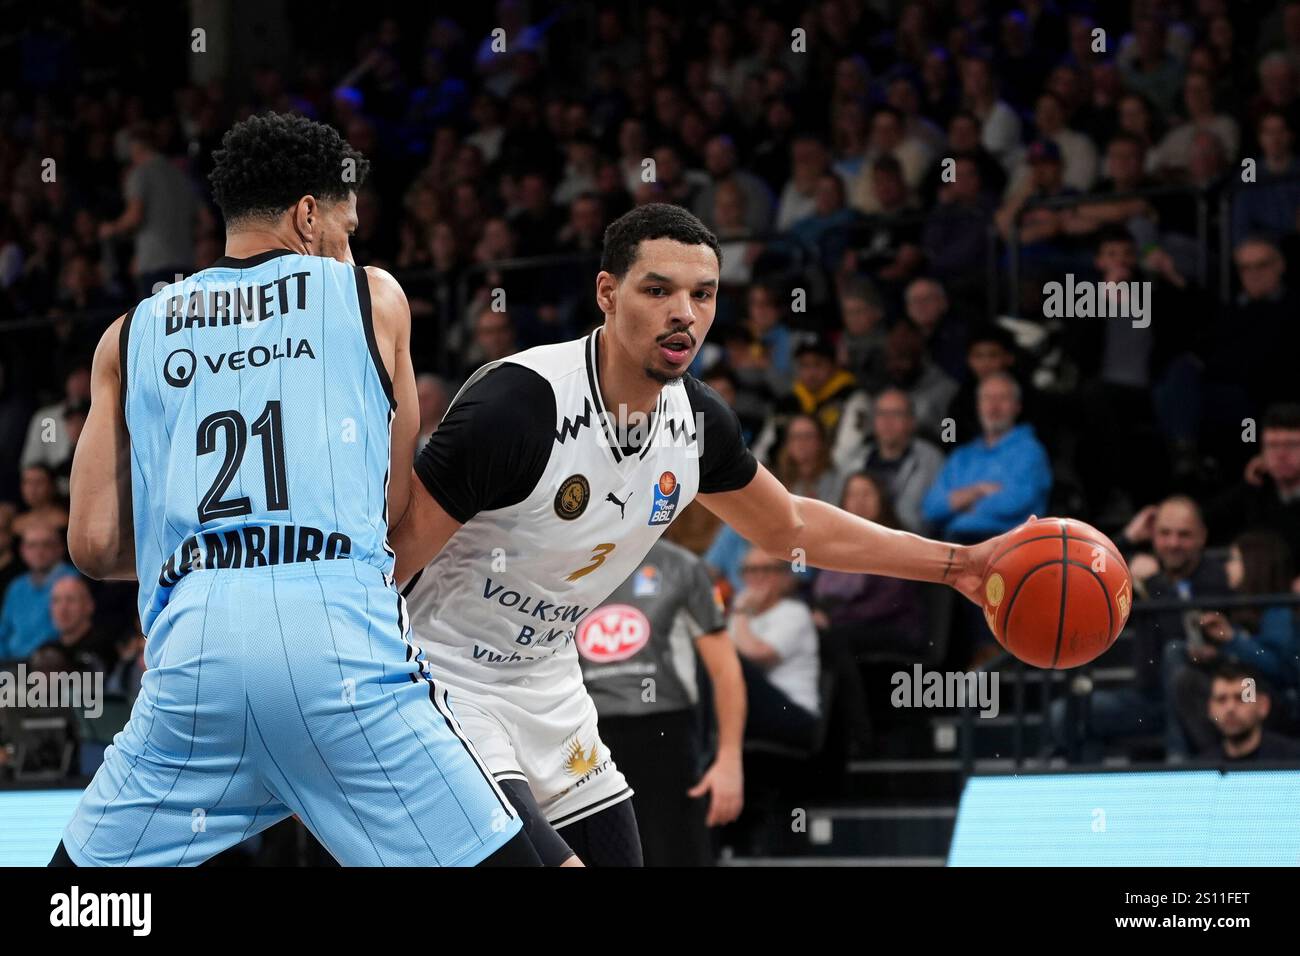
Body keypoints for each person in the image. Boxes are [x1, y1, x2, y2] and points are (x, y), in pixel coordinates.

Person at [391, 203, 1028, 867]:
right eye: (659, 290)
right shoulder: (519, 405)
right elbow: (391, 557)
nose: (685, 314)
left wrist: (956, 564)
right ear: (607, 293)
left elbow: (792, 528)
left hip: (547, 681)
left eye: (704, 294)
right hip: (442, 675)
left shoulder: (697, 423)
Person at [51, 112, 534, 868]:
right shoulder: (372, 298)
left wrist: (202, 548)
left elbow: (90, 543)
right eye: (346, 220)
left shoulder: (131, 330)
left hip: (194, 660)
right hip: (338, 651)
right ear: (308, 213)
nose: (351, 240)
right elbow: (392, 512)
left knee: (81, 908)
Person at [579, 539, 746, 866]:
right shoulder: (564, 566)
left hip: (665, 737)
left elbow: (726, 669)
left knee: (677, 854)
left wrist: (729, 760)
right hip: (586, 738)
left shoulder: (682, 566)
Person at [1165, 530, 1300, 759]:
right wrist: (1218, 655)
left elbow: (1280, 669)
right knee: (1179, 659)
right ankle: (1195, 754)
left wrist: (1232, 639)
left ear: (1254, 564)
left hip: (1269, 698)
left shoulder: (1278, 611)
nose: (1227, 567)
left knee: (1234, 691)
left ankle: (1199, 753)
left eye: (1233, 560)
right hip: (1244, 687)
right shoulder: (1244, 608)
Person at [921, 372, 1051, 542]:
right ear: (978, 405)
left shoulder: (1031, 451)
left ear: (1017, 406)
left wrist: (960, 503)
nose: (993, 406)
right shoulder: (961, 456)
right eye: (987, 398)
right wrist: (979, 490)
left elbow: (1014, 504)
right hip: (956, 548)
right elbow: (930, 509)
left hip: (1010, 549)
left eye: (1002, 398)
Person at [728, 549, 821, 750]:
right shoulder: (738, 618)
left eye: (767, 569)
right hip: (752, 711)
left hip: (793, 713)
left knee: (727, 663)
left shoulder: (794, 613)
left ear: (785, 576)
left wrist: (741, 612)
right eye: (751, 570)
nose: (758, 577)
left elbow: (757, 654)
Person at [0, 522, 77, 661]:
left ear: (60, 548)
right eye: (32, 545)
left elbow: (69, 631)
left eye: (46, 545)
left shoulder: (72, 582)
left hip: (53, 664)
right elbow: (3, 630)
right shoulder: (17, 586)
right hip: (11, 666)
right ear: (23, 551)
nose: (39, 552)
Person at [1206, 663, 1300, 762]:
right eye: (1221, 699)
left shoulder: (1294, 761)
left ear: (1263, 705)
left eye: (1241, 698)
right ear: (1210, 708)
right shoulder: (1201, 770)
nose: (1230, 708)